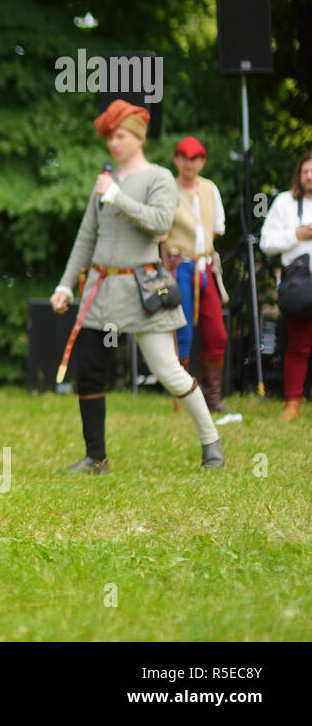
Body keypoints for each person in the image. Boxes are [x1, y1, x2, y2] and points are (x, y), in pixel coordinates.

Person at [51, 99, 224, 471]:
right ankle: (96, 458)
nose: (115, 143)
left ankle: (211, 441)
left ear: (139, 138)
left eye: (123, 136)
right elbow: (86, 237)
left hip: (143, 289)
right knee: (91, 372)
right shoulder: (104, 182)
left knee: (168, 370)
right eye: (111, 137)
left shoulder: (159, 177)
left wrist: (118, 197)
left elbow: (160, 223)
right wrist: (66, 284)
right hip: (100, 290)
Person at [165, 136, 230, 414]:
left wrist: (200, 253)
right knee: (182, 332)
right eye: (184, 158)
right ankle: (183, 398)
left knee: (217, 333)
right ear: (176, 160)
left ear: (202, 161)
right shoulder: (167, 189)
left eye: (195, 159)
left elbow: (216, 228)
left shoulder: (210, 189)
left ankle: (213, 400)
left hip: (205, 267)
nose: (189, 164)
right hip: (180, 267)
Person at [259, 149, 312, 421]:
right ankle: (292, 401)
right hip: (299, 287)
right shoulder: (283, 202)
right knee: (298, 345)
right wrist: (296, 235)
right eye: (305, 171)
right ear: (298, 175)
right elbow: (266, 243)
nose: (310, 176)